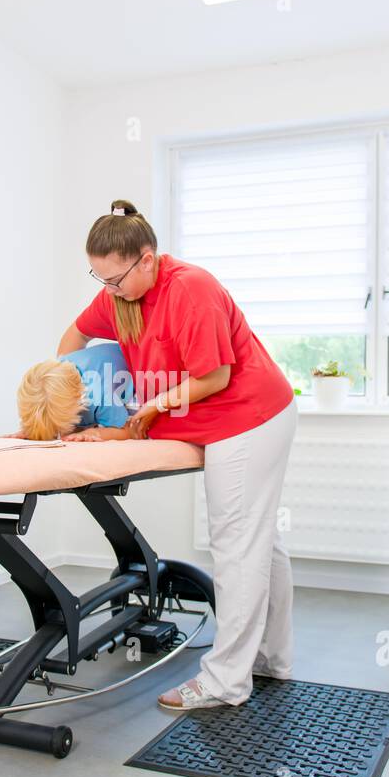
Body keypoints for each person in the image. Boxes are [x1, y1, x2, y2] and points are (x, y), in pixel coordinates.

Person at [58, 200, 298, 711]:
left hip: (249, 416)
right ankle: (271, 657)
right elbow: (74, 336)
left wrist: (148, 408)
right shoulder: (119, 297)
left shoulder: (191, 289)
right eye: (100, 280)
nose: (110, 291)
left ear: (147, 259)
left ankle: (225, 681)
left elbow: (216, 377)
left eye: (116, 279)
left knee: (236, 541)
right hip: (215, 422)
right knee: (261, 543)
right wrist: (70, 394)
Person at [16, 342, 134, 441]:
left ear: (79, 402)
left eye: (57, 431)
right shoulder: (58, 369)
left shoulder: (101, 396)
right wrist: (34, 432)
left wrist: (94, 433)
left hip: (137, 373)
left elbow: (129, 431)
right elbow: (44, 411)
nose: (57, 435)